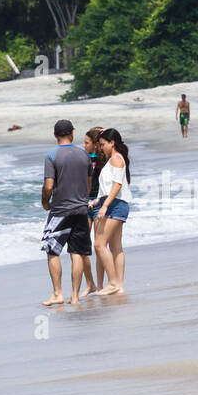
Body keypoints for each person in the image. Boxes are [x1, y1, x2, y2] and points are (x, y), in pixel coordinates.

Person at [40, 119, 92, 306]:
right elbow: (88, 184)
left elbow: (49, 185)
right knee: (76, 252)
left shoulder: (51, 156)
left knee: (52, 251)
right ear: (72, 133)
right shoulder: (84, 155)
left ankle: (58, 293)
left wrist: (46, 202)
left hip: (60, 210)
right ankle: (76, 296)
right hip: (80, 209)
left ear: (55, 135)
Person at [90, 127, 131, 296]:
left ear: (112, 142)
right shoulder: (112, 159)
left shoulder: (115, 158)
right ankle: (119, 286)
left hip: (116, 205)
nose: (101, 147)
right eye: (99, 144)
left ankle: (113, 282)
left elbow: (117, 185)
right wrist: (97, 200)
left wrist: (105, 205)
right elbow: (108, 187)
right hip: (115, 203)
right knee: (116, 247)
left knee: (99, 244)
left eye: (103, 144)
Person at [79, 127, 106, 297]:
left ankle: (101, 285)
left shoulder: (106, 158)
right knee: (82, 247)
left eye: (87, 142)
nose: (84, 145)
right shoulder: (82, 158)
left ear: (96, 144)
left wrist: (105, 132)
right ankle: (90, 284)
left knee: (99, 247)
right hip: (83, 204)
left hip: (99, 203)